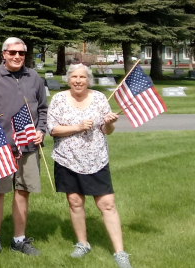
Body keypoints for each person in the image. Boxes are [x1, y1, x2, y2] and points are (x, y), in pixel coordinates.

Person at [48, 63, 132, 268]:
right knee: (75, 202)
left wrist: (110, 122)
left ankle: (120, 252)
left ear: (88, 80)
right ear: (68, 79)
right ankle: (82, 244)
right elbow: (52, 129)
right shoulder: (58, 99)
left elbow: (106, 130)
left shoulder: (100, 98)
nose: (78, 81)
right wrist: (77, 126)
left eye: (82, 77)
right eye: (74, 77)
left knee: (107, 204)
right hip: (67, 159)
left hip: (96, 160)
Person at [0, 37, 47, 256]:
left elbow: (43, 109)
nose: (17, 57)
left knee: (22, 192)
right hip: (0, 147)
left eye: (21, 53)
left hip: (27, 146)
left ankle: (19, 239)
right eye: (12, 52)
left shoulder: (33, 77)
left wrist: (40, 130)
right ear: (3, 54)